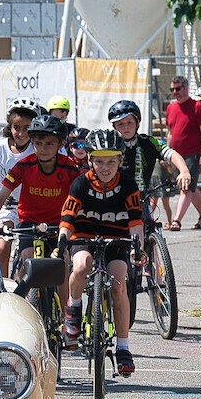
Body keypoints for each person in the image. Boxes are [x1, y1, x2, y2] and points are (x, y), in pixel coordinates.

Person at [59, 129, 144, 376]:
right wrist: (63, 241)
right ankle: (73, 309)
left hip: (116, 238)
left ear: (120, 161)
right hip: (83, 236)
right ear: (90, 161)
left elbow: (136, 222)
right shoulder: (81, 182)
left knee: (118, 283)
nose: (105, 167)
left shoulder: (128, 184)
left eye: (111, 161)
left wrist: (138, 247)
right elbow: (67, 218)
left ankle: (124, 348)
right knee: (82, 265)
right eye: (99, 161)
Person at [0, 115, 81, 283]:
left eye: (50, 143)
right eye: (38, 143)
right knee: (26, 260)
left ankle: (66, 308)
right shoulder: (24, 165)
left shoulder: (69, 167)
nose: (43, 148)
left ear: (61, 144)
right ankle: (24, 303)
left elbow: (80, 198)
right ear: (32, 143)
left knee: (62, 263)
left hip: (59, 223)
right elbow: (2, 195)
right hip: (29, 223)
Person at [0, 98, 42, 276]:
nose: (21, 133)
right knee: (2, 248)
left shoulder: (39, 151)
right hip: (5, 206)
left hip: (32, 208)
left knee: (34, 255)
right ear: (9, 127)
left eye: (26, 128)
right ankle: (4, 287)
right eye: (16, 128)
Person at [107, 99, 191, 227]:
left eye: (130, 122)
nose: (126, 127)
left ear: (138, 122)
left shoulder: (148, 142)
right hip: (115, 198)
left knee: (148, 229)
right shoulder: (109, 145)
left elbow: (171, 154)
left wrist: (184, 171)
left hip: (141, 198)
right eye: (120, 124)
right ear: (114, 126)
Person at [165, 76, 201, 229]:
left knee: (186, 187)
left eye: (178, 89)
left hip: (193, 154)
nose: (175, 92)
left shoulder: (197, 107)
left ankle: (177, 221)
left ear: (186, 88)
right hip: (176, 156)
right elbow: (170, 133)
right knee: (190, 187)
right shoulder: (170, 108)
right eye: (172, 89)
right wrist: (166, 153)